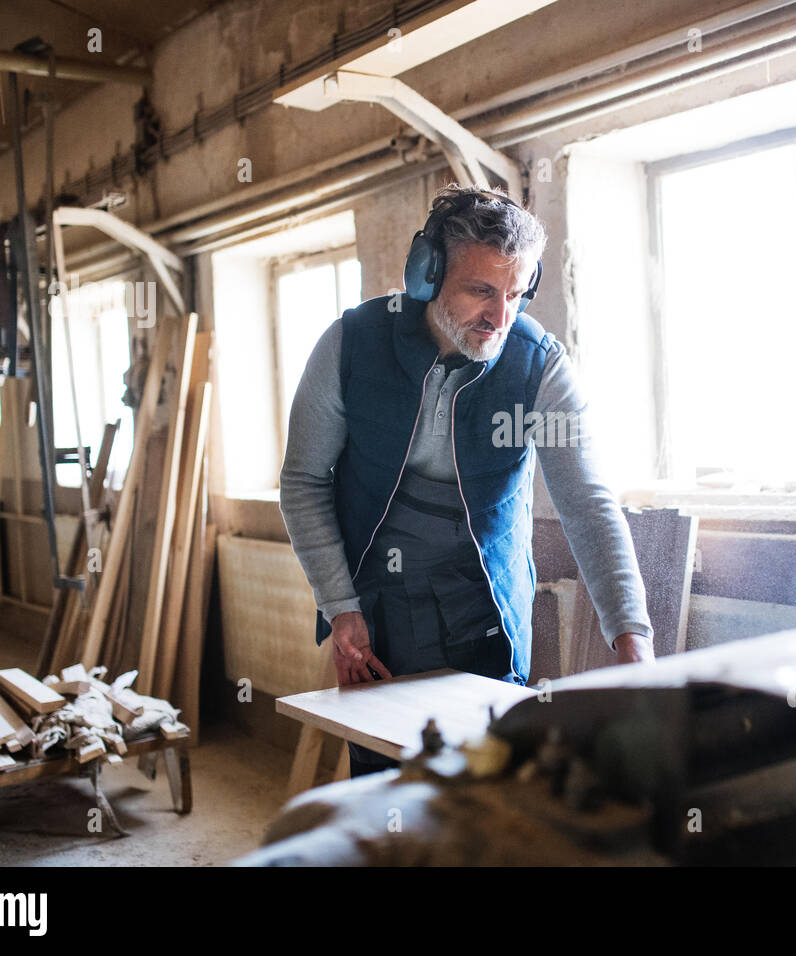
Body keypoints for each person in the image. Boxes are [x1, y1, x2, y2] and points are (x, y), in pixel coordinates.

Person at [280, 184, 654, 776]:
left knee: (486, 796)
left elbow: (587, 504)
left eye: (515, 293)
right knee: (389, 795)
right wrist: (339, 605)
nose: (499, 317)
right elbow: (303, 480)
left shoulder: (539, 366)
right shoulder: (352, 345)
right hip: (378, 615)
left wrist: (632, 637)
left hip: (487, 610)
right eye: (480, 290)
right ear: (427, 275)